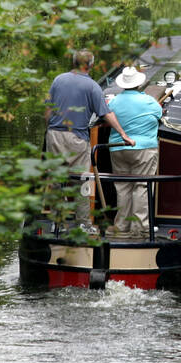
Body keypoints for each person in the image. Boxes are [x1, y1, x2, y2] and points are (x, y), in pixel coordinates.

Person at [44, 50, 134, 234]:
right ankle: (83, 224)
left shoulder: (58, 80)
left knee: (55, 180)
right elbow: (106, 113)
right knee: (82, 181)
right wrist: (123, 134)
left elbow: (48, 110)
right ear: (91, 65)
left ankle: (56, 223)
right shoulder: (92, 87)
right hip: (76, 138)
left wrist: (50, 130)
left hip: (54, 134)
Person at [106, 66, 163, 239]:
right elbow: (158, 114)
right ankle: (141, 227)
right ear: (139, 84)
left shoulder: (114, 102)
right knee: (142, 186)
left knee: (122, 187)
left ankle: (121, 226)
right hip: (143, 149)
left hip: (117, 148)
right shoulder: (148, 101)